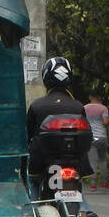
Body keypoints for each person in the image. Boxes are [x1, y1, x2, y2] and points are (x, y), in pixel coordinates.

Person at [26, 56, 92, 191]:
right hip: (74, 161)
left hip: (43, 162)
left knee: (32, 180)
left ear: (46, 78)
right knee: (78, 184)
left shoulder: (36, 106)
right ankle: (85, 210)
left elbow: (27, 135)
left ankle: (32, 210)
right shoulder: (78, 106)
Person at [83, 93, 109, 189]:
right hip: (102, 137)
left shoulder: (84, 108)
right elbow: (106, 122)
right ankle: (105, 183)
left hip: (91, 138)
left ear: (90, 97)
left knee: (92, 162)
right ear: (99, 98)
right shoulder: (103, 108)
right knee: (102, 160)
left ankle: (93, 184)